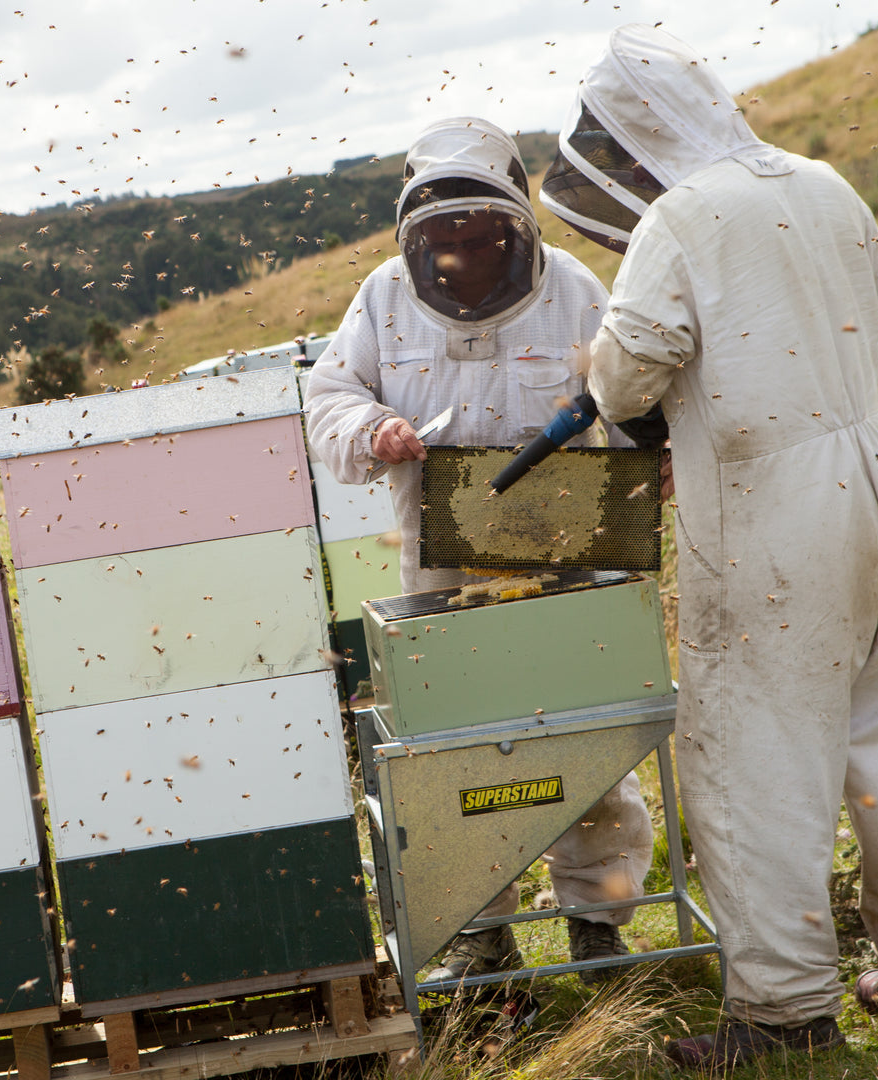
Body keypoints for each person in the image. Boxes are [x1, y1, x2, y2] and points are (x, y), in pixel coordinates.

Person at [541, 24, 878, 1068]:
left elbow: (628, 377)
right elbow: (862, 322)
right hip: (873, 489)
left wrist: (597, 369)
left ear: (639, 137)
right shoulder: (827, 185)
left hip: (765, 514)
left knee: (752, 757)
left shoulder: (684, 217)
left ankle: (782, 1017)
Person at [305, 116, 655, 985]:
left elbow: (638, 401)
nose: (461, 252)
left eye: (480, 236)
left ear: (516, 225)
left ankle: (597, 924)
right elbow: (330, 396)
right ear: (414, 236)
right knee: (463, 757)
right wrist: (374, 426)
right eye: (445, 239)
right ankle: (480, 933)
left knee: (592, 740)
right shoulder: (384, 299)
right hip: (442, 560)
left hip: (570, 551)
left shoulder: (575, 290)